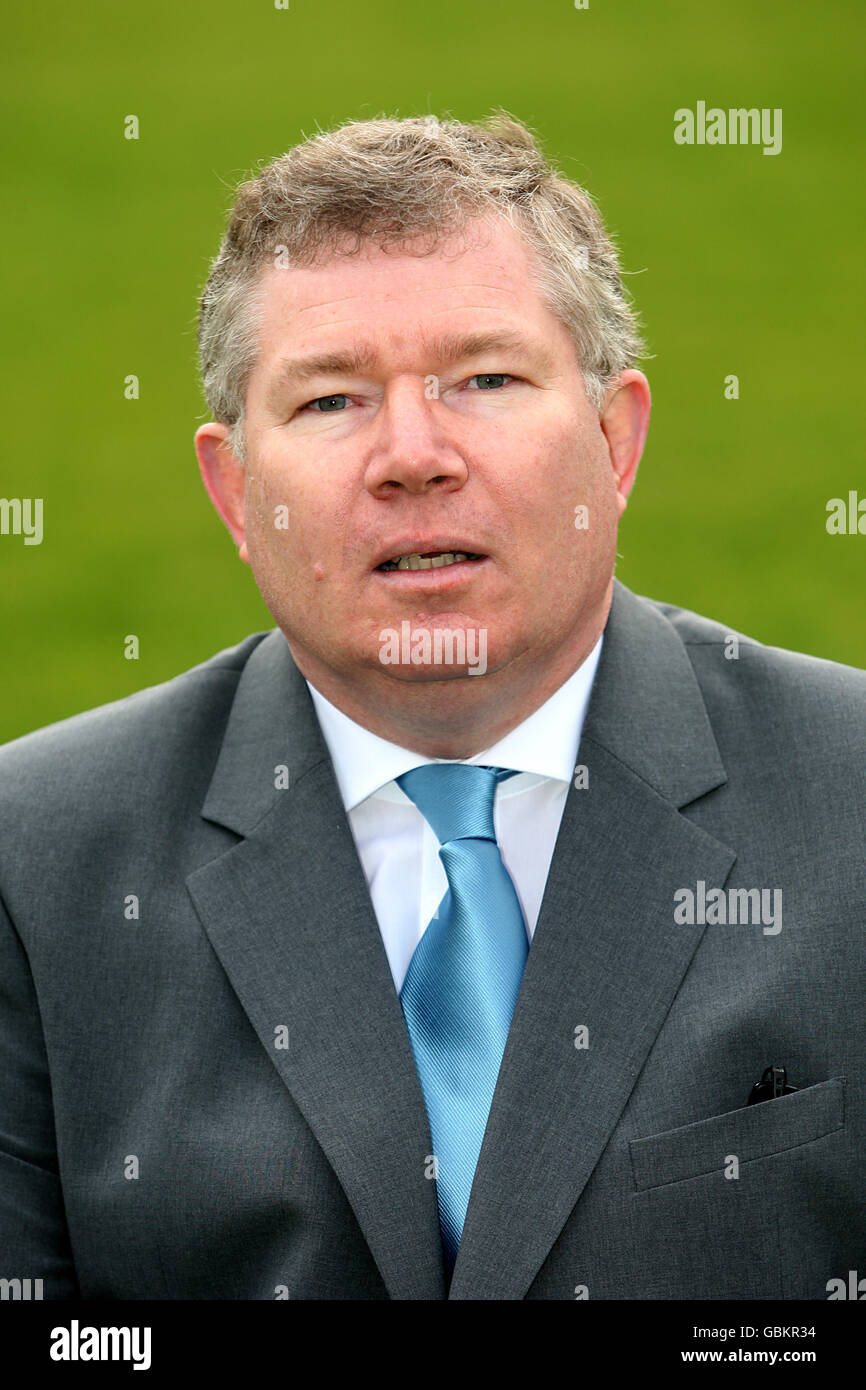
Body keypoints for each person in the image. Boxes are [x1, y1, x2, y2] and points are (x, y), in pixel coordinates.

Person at [0, 112, 862, 1301]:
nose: (414, 454)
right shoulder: (30, 861)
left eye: (486, 379)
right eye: (331, 400)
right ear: (236, 490)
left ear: (615, 441)